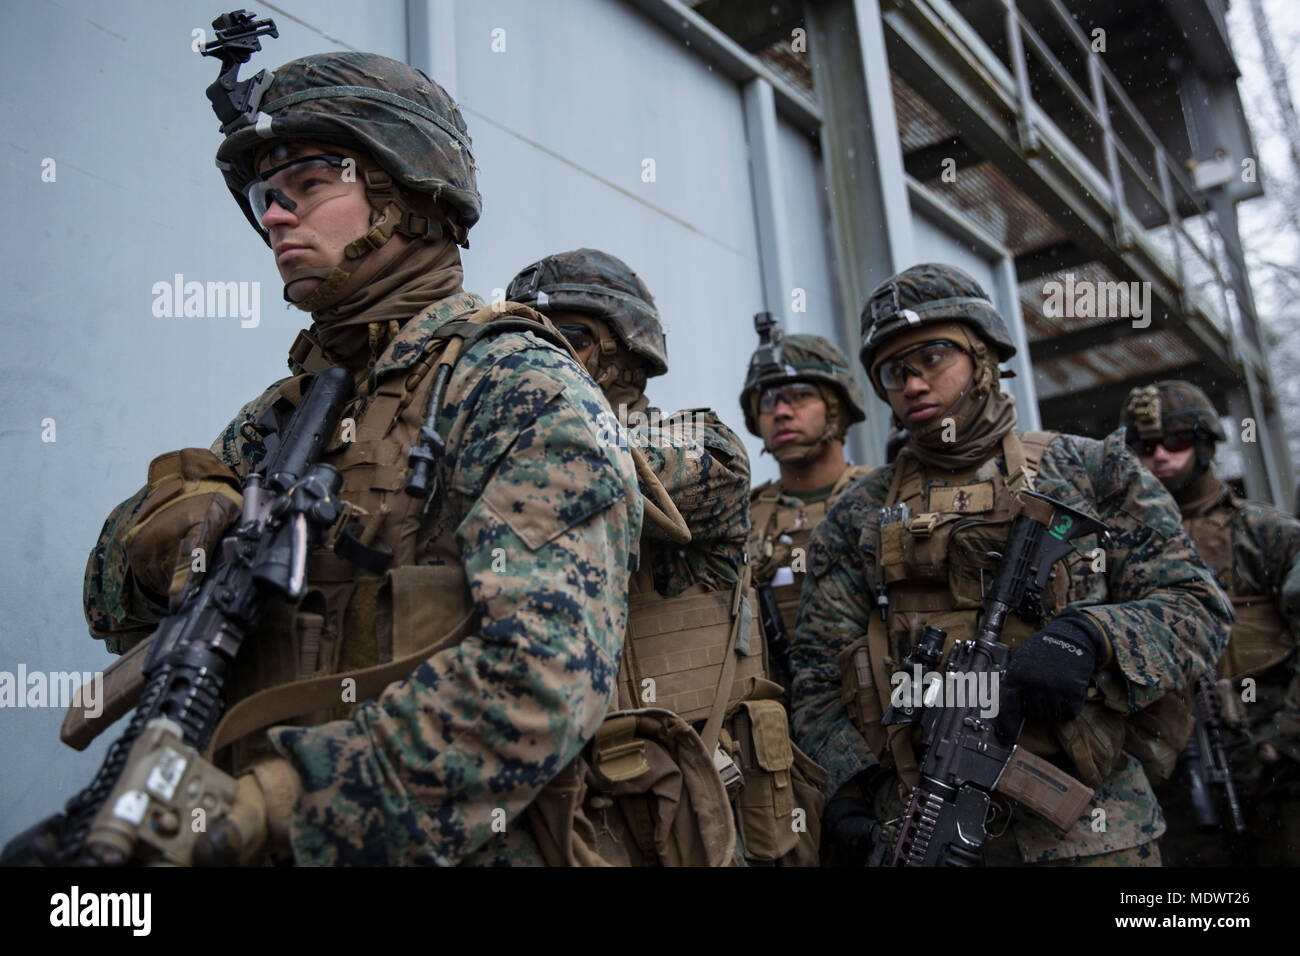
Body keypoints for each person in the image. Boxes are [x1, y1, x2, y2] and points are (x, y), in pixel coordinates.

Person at [78, 52, 641, 866]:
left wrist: (274, 806)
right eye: (264, 193)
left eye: (308, 182)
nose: (274, 214)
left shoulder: (516, 387)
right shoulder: (283, 412)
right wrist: (157, 537)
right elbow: (106, 610)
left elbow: (538, 686)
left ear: (408, 192)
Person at [791, 263, 1231, 865]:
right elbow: (816, 669)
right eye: (894, 371)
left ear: (983, 356)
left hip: (1092, 833)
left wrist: (1092, 638)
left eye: (933, 357)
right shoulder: (859, 513)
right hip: (921, 824)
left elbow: (1197, 607)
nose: (913, 384)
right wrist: (849, 786)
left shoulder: (1092, 471)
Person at [506, 250, 822, 865]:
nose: (534, 357)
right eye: (521, 338)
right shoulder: (492, 449)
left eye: (563, 339)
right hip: (584, 802)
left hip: (714, 794)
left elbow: (588, 464)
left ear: (627, 353)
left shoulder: (701, 444)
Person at [1122, 380, 1300, 865]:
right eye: (1143, 446)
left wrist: (1283, 743)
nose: (1158, 456)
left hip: (1277, 768)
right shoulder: (1120, 551)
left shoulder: (1267, 535)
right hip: (1175, 778)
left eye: (1175, 442)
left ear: (1205, 444)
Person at [738, 332, 874, 685]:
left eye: (800, 396)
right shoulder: (743, 519)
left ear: (835, 406)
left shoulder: (884, 496)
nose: (781, 412)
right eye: (768, 401)